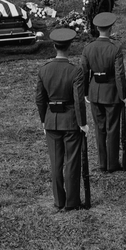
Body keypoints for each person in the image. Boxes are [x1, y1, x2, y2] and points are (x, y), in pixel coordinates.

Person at [36, 28, 88, 211]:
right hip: (70, 121)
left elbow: (40, 99)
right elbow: (78, 100)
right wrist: (83, 123)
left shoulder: (44, 70)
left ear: (53, 45)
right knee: (72, 162)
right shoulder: (75, 71)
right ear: (70, 46)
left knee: (56, 163)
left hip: (51, 120)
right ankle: (72, 202)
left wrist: (44, 120)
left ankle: (59, 201)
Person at [80, 12, 126, 173]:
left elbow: (84, 73)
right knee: (112, 128)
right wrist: (123, 95)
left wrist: (86, 92)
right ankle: (112, 163)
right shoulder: (115, 47)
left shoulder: (88, 48)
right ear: (111, 28)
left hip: (95, 91)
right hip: (111, 92)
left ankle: (102, 162)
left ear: (97, 28)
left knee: (99, 128)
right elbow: (119, 74)